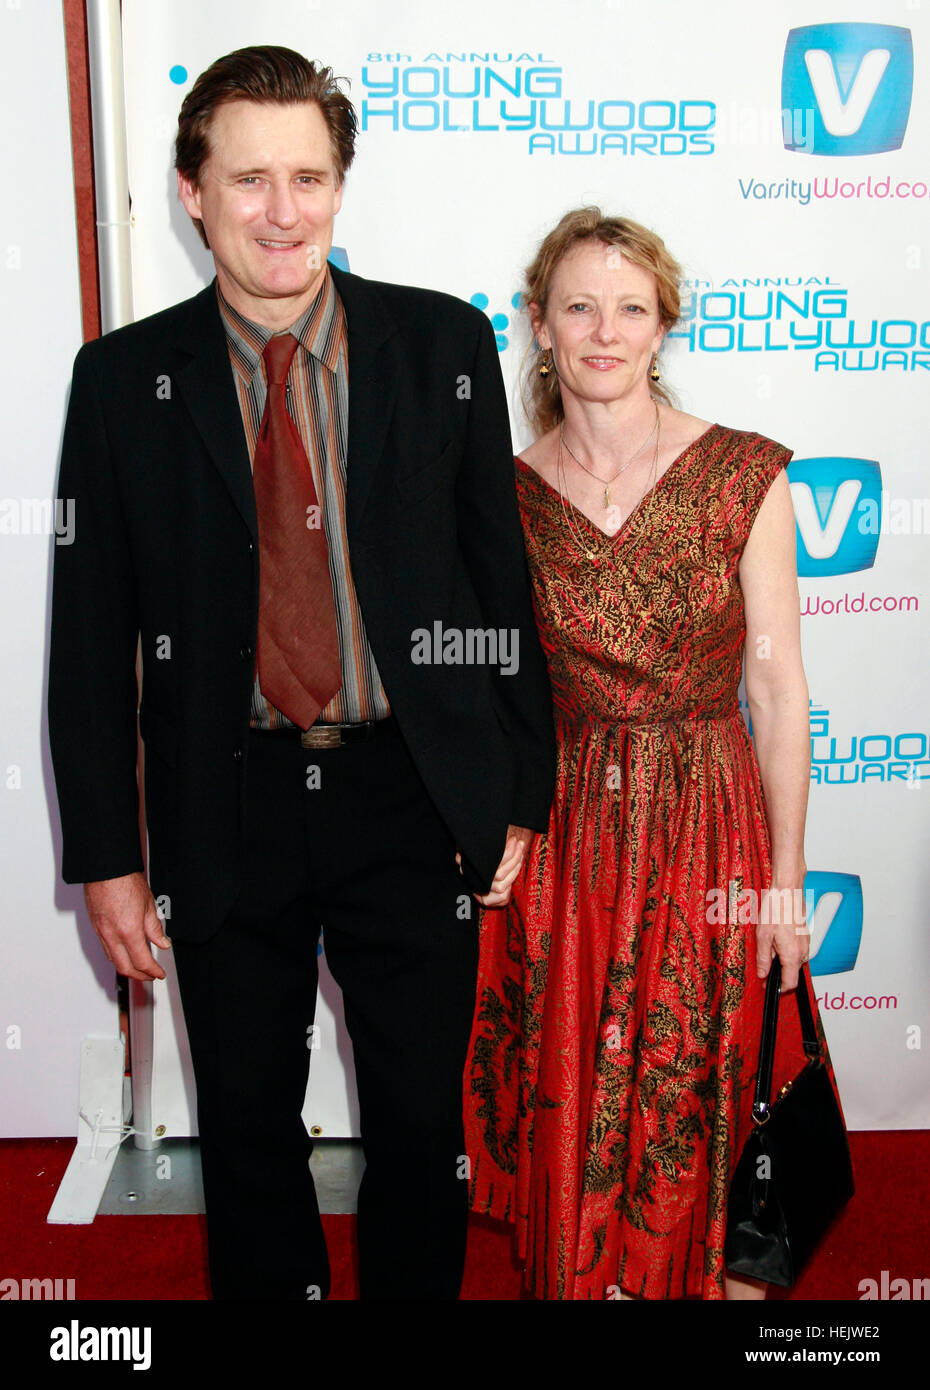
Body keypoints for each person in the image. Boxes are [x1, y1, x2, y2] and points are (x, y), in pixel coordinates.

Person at [48, 45, 555, 1301]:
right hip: (227, 807)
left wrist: (520, 791)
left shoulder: (439, 344)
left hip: (413, 797)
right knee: (251, 1135)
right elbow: (86, 631)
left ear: (341, 186)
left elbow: (502, 594)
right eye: (251, 179)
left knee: (421, 1134)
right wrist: (110, 856)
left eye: (310, 178)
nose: (284, 211)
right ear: (191, 191)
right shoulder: (121, 382)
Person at [465, 207, 836, 1300]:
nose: (604, 330)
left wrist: (784, 879)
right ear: (538, 326)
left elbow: (777, 686)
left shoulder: (744, 476)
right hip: (572, 827)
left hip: (708, 820)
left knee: (687, 1081)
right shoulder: (507, 494)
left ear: (663, 326)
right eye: (578, 305)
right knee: (575, 1075)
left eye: (631, 308)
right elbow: (488, 688)